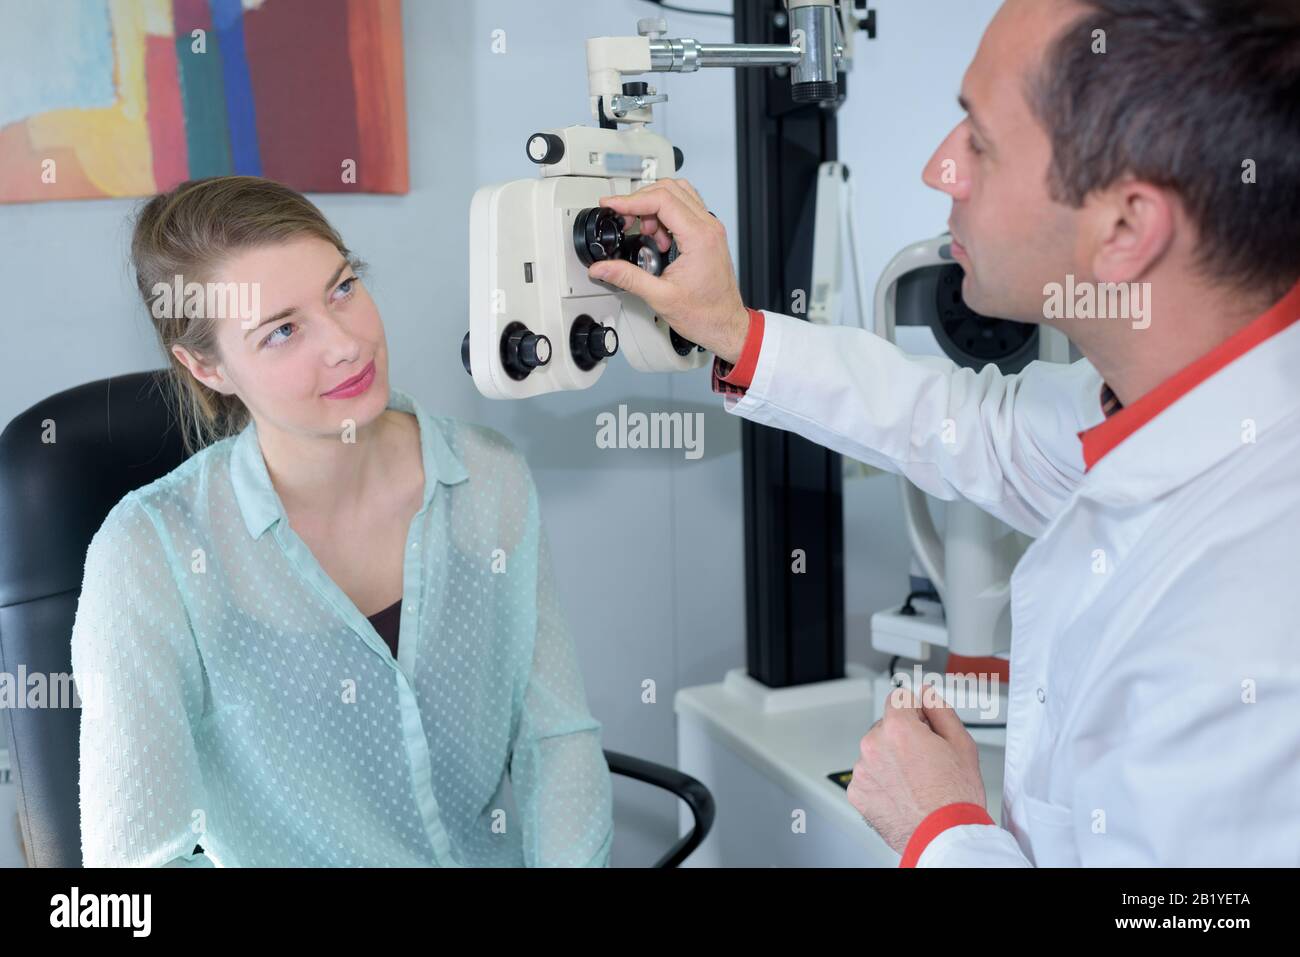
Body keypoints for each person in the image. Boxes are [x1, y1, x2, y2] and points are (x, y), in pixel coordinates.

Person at [586, 0, 1300, 866]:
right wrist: (733, 327)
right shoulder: (1171, 394)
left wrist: (943, 829)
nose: (939, 168)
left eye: (980, 141)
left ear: (1125, 228)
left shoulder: (1249, 627)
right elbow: (968, 426)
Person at [70, 175, 613, 867]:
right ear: (206, 366)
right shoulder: (151, 553)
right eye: (284, 330)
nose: (347, 344)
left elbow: (556, 740)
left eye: (343, 288)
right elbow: (137, 868)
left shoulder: (488, 477)